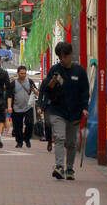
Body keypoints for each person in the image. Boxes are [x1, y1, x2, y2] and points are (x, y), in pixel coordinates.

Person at [39, 41, 91, 181]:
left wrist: (85, 107)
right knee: (60, 138)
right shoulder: (55, 70)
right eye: (60, 57)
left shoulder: (79, 71)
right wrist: (53, 81)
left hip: (74, 112)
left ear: (70, 55)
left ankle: (69, 168)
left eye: (64, 57)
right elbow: (47, 89)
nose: (62, 60)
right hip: (57, 110)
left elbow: (84, 91)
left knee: (72, 143)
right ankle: (59, 166)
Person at [9, 65, 37, 148]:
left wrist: (35, 90)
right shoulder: (13, 83)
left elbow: (36, 92)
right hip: (16, 108)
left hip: (28, 107)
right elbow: (9, 96)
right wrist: (9, 107)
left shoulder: (30, 81)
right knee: (17, 126)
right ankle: (19, 142)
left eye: (24, 73)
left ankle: (27, 139)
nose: (23, 75)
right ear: (18, 73)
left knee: (29, 123)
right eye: (21, 73)